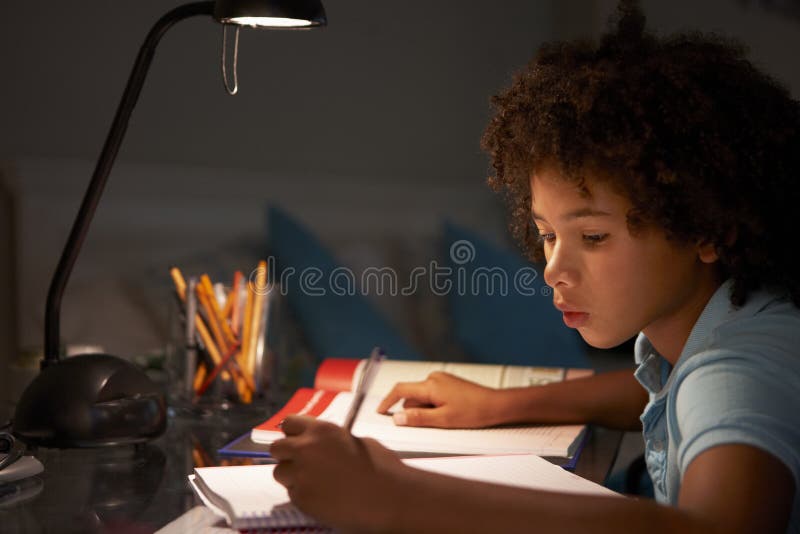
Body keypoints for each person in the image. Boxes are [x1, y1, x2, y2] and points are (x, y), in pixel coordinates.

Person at [269, 2, 800, 532]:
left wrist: (394, 495)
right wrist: (500, 404)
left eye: (593, 237)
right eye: (548, 235)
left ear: (707, 227)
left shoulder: (733, 370)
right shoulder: (711, 331)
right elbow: (651, 387)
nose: (553, 269)